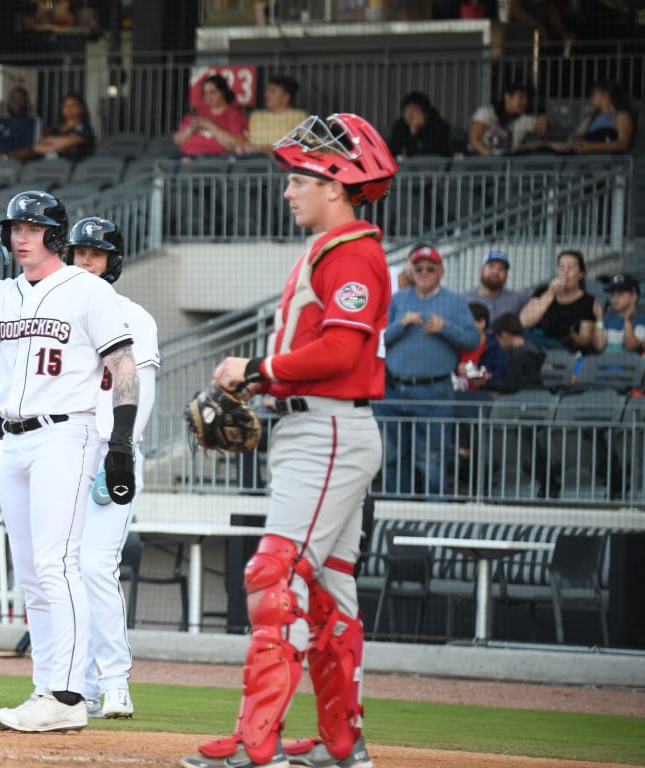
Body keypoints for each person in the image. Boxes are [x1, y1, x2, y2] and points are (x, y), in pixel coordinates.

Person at [186, 113, 396, 768]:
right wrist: (265, 384)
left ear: (335, 184)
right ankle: (342, 744)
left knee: (273, 572)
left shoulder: (354, 250)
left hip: (328, 426)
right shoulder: (335, 249)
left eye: (300, 178)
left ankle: (257, 744)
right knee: (330, 592)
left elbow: (341, 348)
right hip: (322, 422)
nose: (289, 190)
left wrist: (258, 371)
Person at [0, 190, 138, 734]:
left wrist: (122, 444)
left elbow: (123, 366)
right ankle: (48, 689)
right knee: (35, 574)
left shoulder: (88, 291)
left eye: (33, 228)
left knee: (58, 564)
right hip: (13, 442)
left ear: (54, 235)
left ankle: (67, 694)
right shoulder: (5, 293)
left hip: (66, 432)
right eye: (16, 227)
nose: (21, 236)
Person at [63, 217, 158, 720]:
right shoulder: (59, 308)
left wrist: (121, 447)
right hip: (66, 451)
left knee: (96, 565)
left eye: (95, 254)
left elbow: (138, 389)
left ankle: (115, 681)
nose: (85, 261)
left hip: (112, 452)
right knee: (65, 569)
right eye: (79, 252)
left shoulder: (134, 317)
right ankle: (79, 685)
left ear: (112, 261)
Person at [379, 244, 479, 499]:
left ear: (440, 272)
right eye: (419, 268)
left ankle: (434, 510)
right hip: (394, 389)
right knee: (392, 454)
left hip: (434, 390)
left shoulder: (454, 302)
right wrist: (401, 325)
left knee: (432, 456)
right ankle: (396, 507)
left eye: (430, 269)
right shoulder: (398, 300)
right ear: (411, 270)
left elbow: (472, 340)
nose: (424, 273)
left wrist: (446, 327)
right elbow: (378, 340)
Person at [519, 249, 603, 353]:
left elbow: (585, 340)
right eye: (561, 267)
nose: (565, 273)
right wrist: (550, 293)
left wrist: (569, 335)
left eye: (570, 268)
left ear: (580, 274)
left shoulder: (587, 301)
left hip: (565, 348)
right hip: (537, 342)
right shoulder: (543, 291)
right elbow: (524, 322)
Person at [468, 81, 553, 156]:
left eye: (527, 98)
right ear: (507, 97)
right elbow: (475, 138)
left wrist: (544, 118)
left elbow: (557, 124)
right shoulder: (486, 113)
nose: (525, 102)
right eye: (521, 97)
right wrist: (490, 155)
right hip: (477, 160)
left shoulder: (525, 120)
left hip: (508, 164)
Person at [553, 80, 635, 156]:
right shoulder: (590, 118)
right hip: (582, 160)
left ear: (605, 95)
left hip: (605, 162)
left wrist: (593, 146)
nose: (590, 99)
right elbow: (574, 138)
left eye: (593, 94)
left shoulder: (621, 116)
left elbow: (623, 144)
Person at [174, 75, 249, 157]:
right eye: (205, 94)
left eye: (212, 92)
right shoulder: (196, 113)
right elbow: (177, 140)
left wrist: (210, 126)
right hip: (184, 156)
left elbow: (238, 144)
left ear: (223, 92)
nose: (208, 98)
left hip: (214, 159)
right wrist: (191, 128)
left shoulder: (234, 115)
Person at [16, 93, 96, 163]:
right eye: (66, 105)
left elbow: (70, 141)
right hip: (50, 164)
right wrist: (61, 146)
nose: (69, 108)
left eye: (73, 105)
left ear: (81, 108)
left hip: (74, 167)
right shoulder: (56, 128)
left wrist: (51, 142)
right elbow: (38, 147)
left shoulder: (84, 128)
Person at [245, 75, 307, 153]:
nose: (267, 95)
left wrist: (264, 149)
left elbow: (305, 146)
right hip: (252, 161)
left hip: (283, 162)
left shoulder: (299, 116)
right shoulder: (256, 116)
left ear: (286, 97)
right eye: (267, 91)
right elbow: (244, 140)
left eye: (273, 91)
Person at [462, 250, 529, 323]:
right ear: (481, 270)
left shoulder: (519, 300)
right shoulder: (464, 299)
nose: (496, 272)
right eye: (491, 267)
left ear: (506, 275)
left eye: (501, 269)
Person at [0, 86, 39, 161]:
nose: (17, 103)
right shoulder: (0, 120)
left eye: (20, 100)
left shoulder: (32, 121)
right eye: (14, 100)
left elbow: (32, 150)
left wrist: (4, 157)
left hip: (18, 165)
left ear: (26, 102)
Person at [386, 92, 455, 159]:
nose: (410, 116)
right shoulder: (399, 127)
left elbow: (439, 153)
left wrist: (416, 133)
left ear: (425, 113)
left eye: (415, 111)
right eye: (407, 111)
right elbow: (393, 153)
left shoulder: (440, 127)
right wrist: (413, 133)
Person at [492, 312, 545, 391]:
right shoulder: (533, 348)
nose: (500, 344)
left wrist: (486, 384)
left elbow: (511, 386)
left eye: (498, 339)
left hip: (523, 398)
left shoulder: (519, 354)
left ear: (503, 335)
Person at [597, 273, 642, 354]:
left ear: (634, 296)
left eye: (620, 293)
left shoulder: (641, 321)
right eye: (612, 294)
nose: (615, 298)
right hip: (605, 364)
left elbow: (632, 347)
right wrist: (599, 320)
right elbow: (598, 347)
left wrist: (627, 321)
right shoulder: (606, 319)